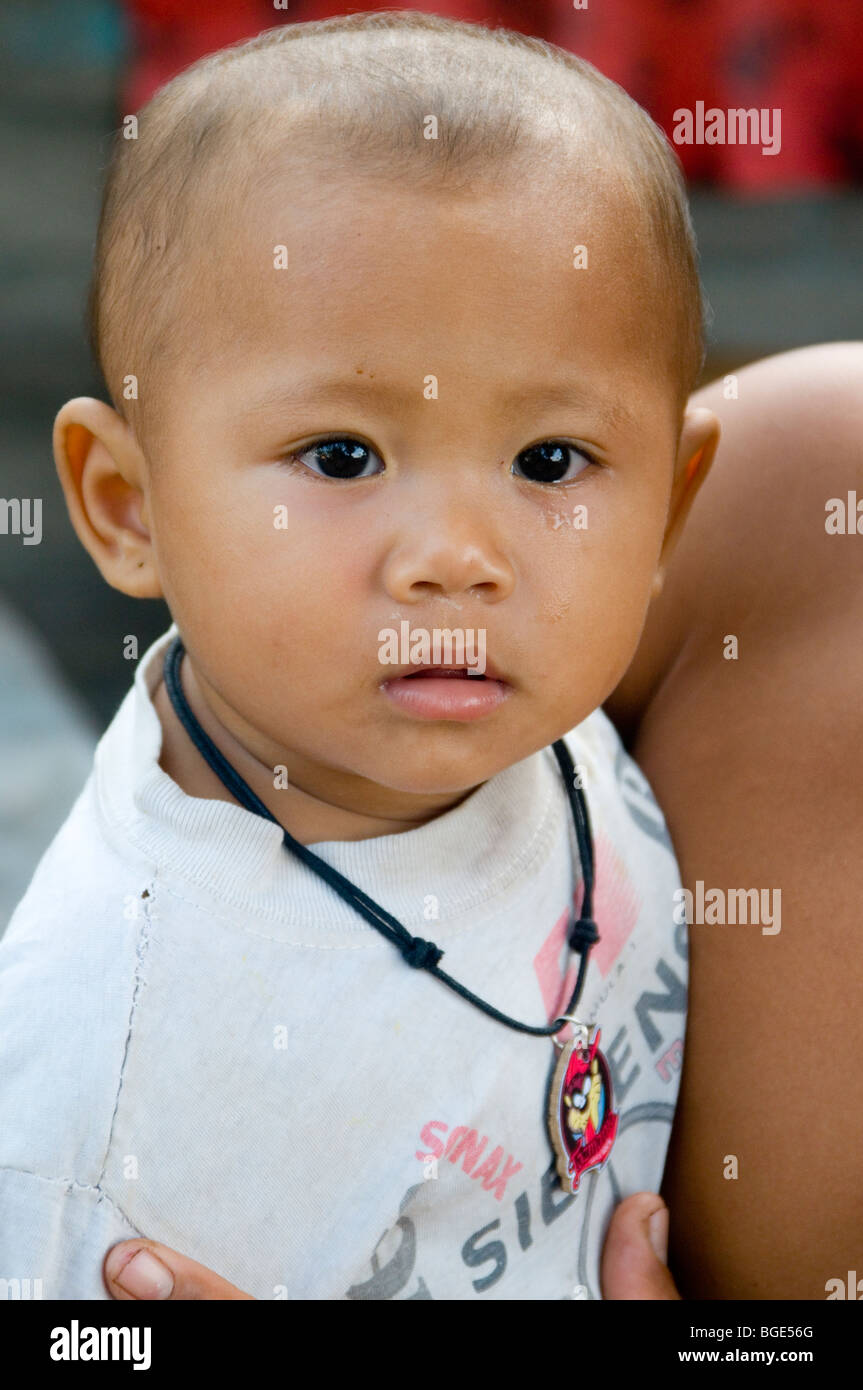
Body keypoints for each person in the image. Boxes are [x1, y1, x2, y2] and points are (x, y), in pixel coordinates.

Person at [1, 9, 731, 1300]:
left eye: (549, 461)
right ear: (128, 505)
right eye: (343, 456)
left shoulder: (528, 711)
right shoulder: (110, 1089)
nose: (457, 555)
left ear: (668, 511)